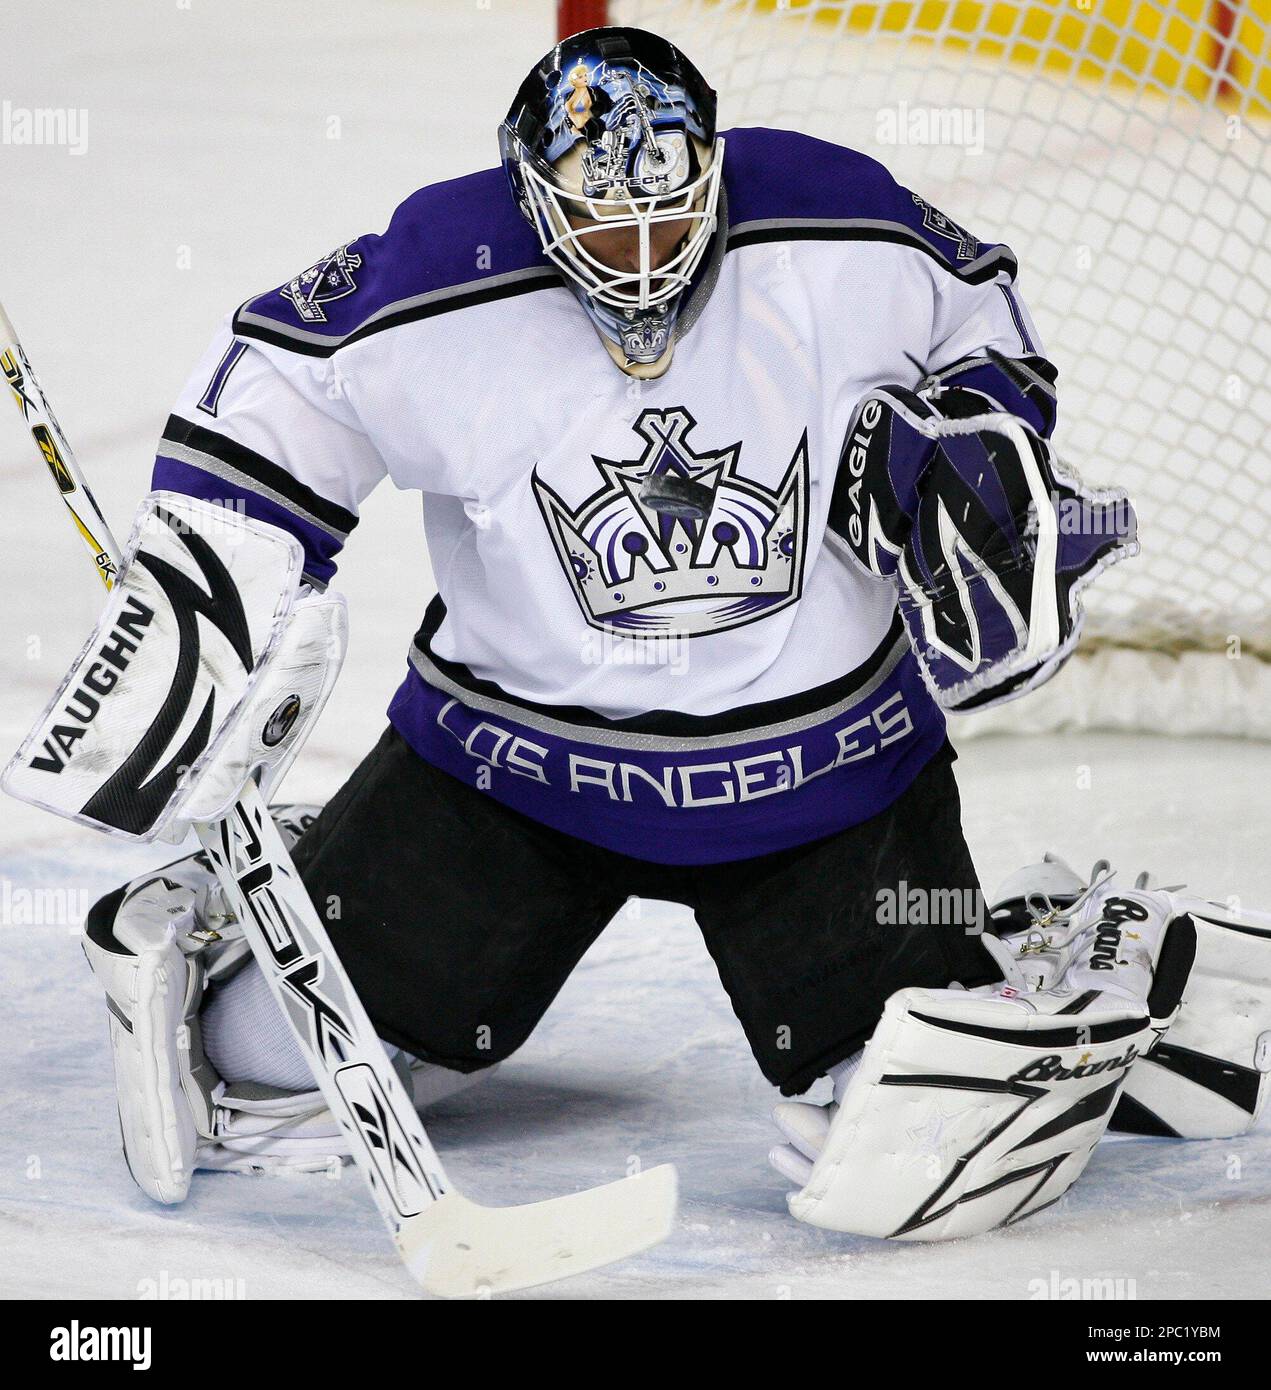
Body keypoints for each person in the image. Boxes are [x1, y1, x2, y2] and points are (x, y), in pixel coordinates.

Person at [80, 26, 1238, 1241]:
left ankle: (1079, 951)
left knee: (922, 1148)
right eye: (599, 226)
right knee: (267, 1070)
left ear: (715, 170)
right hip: (511, 781)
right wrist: (210, 584)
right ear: (533, 200)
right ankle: (212, 906)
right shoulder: (444, 270)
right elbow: (273, 394)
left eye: (667, 215)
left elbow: (987, 317)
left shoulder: (838, 224)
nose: (638, 260)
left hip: (824, 781)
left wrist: (966, 438)